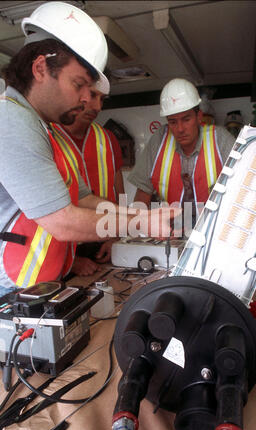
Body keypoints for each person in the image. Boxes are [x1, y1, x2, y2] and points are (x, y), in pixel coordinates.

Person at [0, 2, 178, 298]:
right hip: (11, 292)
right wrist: (142, 222)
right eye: (79, 84)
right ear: (40, 68)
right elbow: (62, 222)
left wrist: (136, 215)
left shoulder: (50, 129)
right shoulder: (10, 120)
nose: (86, 99)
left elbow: (84, 198)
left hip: (43, 285)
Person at [128, 78, 235, 231]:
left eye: (186, 119)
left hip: (213, 228)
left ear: (199, 116)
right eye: (172, 122)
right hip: (173, 230)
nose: (180, 129)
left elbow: (242, 190)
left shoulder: (220, 139)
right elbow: (142, 194)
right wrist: (135, 232)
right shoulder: (159, 141)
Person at [50, 79, 125, 276]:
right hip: (63, 252)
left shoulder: (107, 138)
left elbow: (119, 192)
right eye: (92, 96)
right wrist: (71, 262)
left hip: (104, 243)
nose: (98, 107)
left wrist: (115, 237)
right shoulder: (48, 138)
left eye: (102, 99)